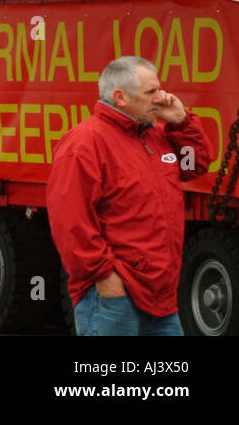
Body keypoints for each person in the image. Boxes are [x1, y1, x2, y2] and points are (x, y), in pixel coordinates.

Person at [47, 55, 214, 336]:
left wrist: (182, 122)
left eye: (159, 89)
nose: (161, 98)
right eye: (151, 92)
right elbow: (71, 222)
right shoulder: (85, 143)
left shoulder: (154, 135)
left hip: (161, 296)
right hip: (114, 297)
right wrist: (104, 275)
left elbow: (196, 164)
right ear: (120, 97)